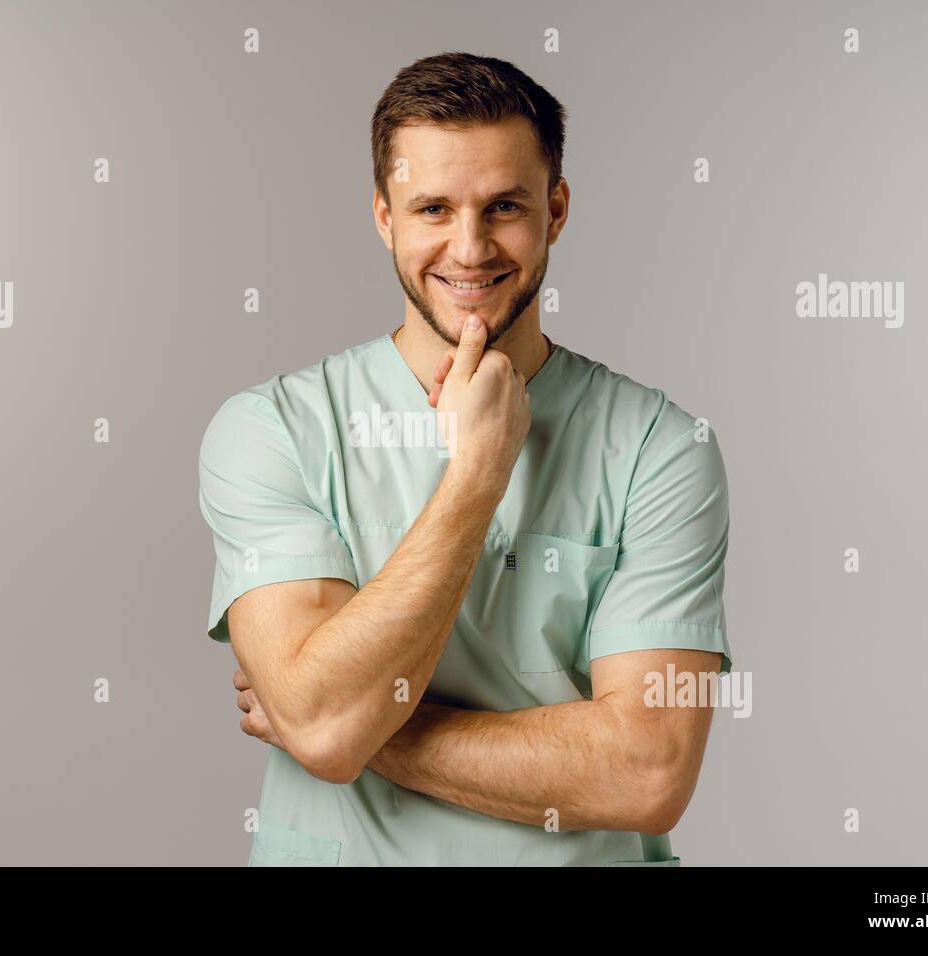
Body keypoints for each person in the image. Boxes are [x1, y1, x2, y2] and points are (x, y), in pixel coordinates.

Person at [198, 51, 731, 866]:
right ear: (385, 216)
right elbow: (323, 724)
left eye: (505, 206)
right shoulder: (273, 430)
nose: (471, 247)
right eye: (434, 208)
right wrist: (478, 474)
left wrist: (359, 730)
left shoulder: (661, 451)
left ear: (555, 210)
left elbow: (646, 771)